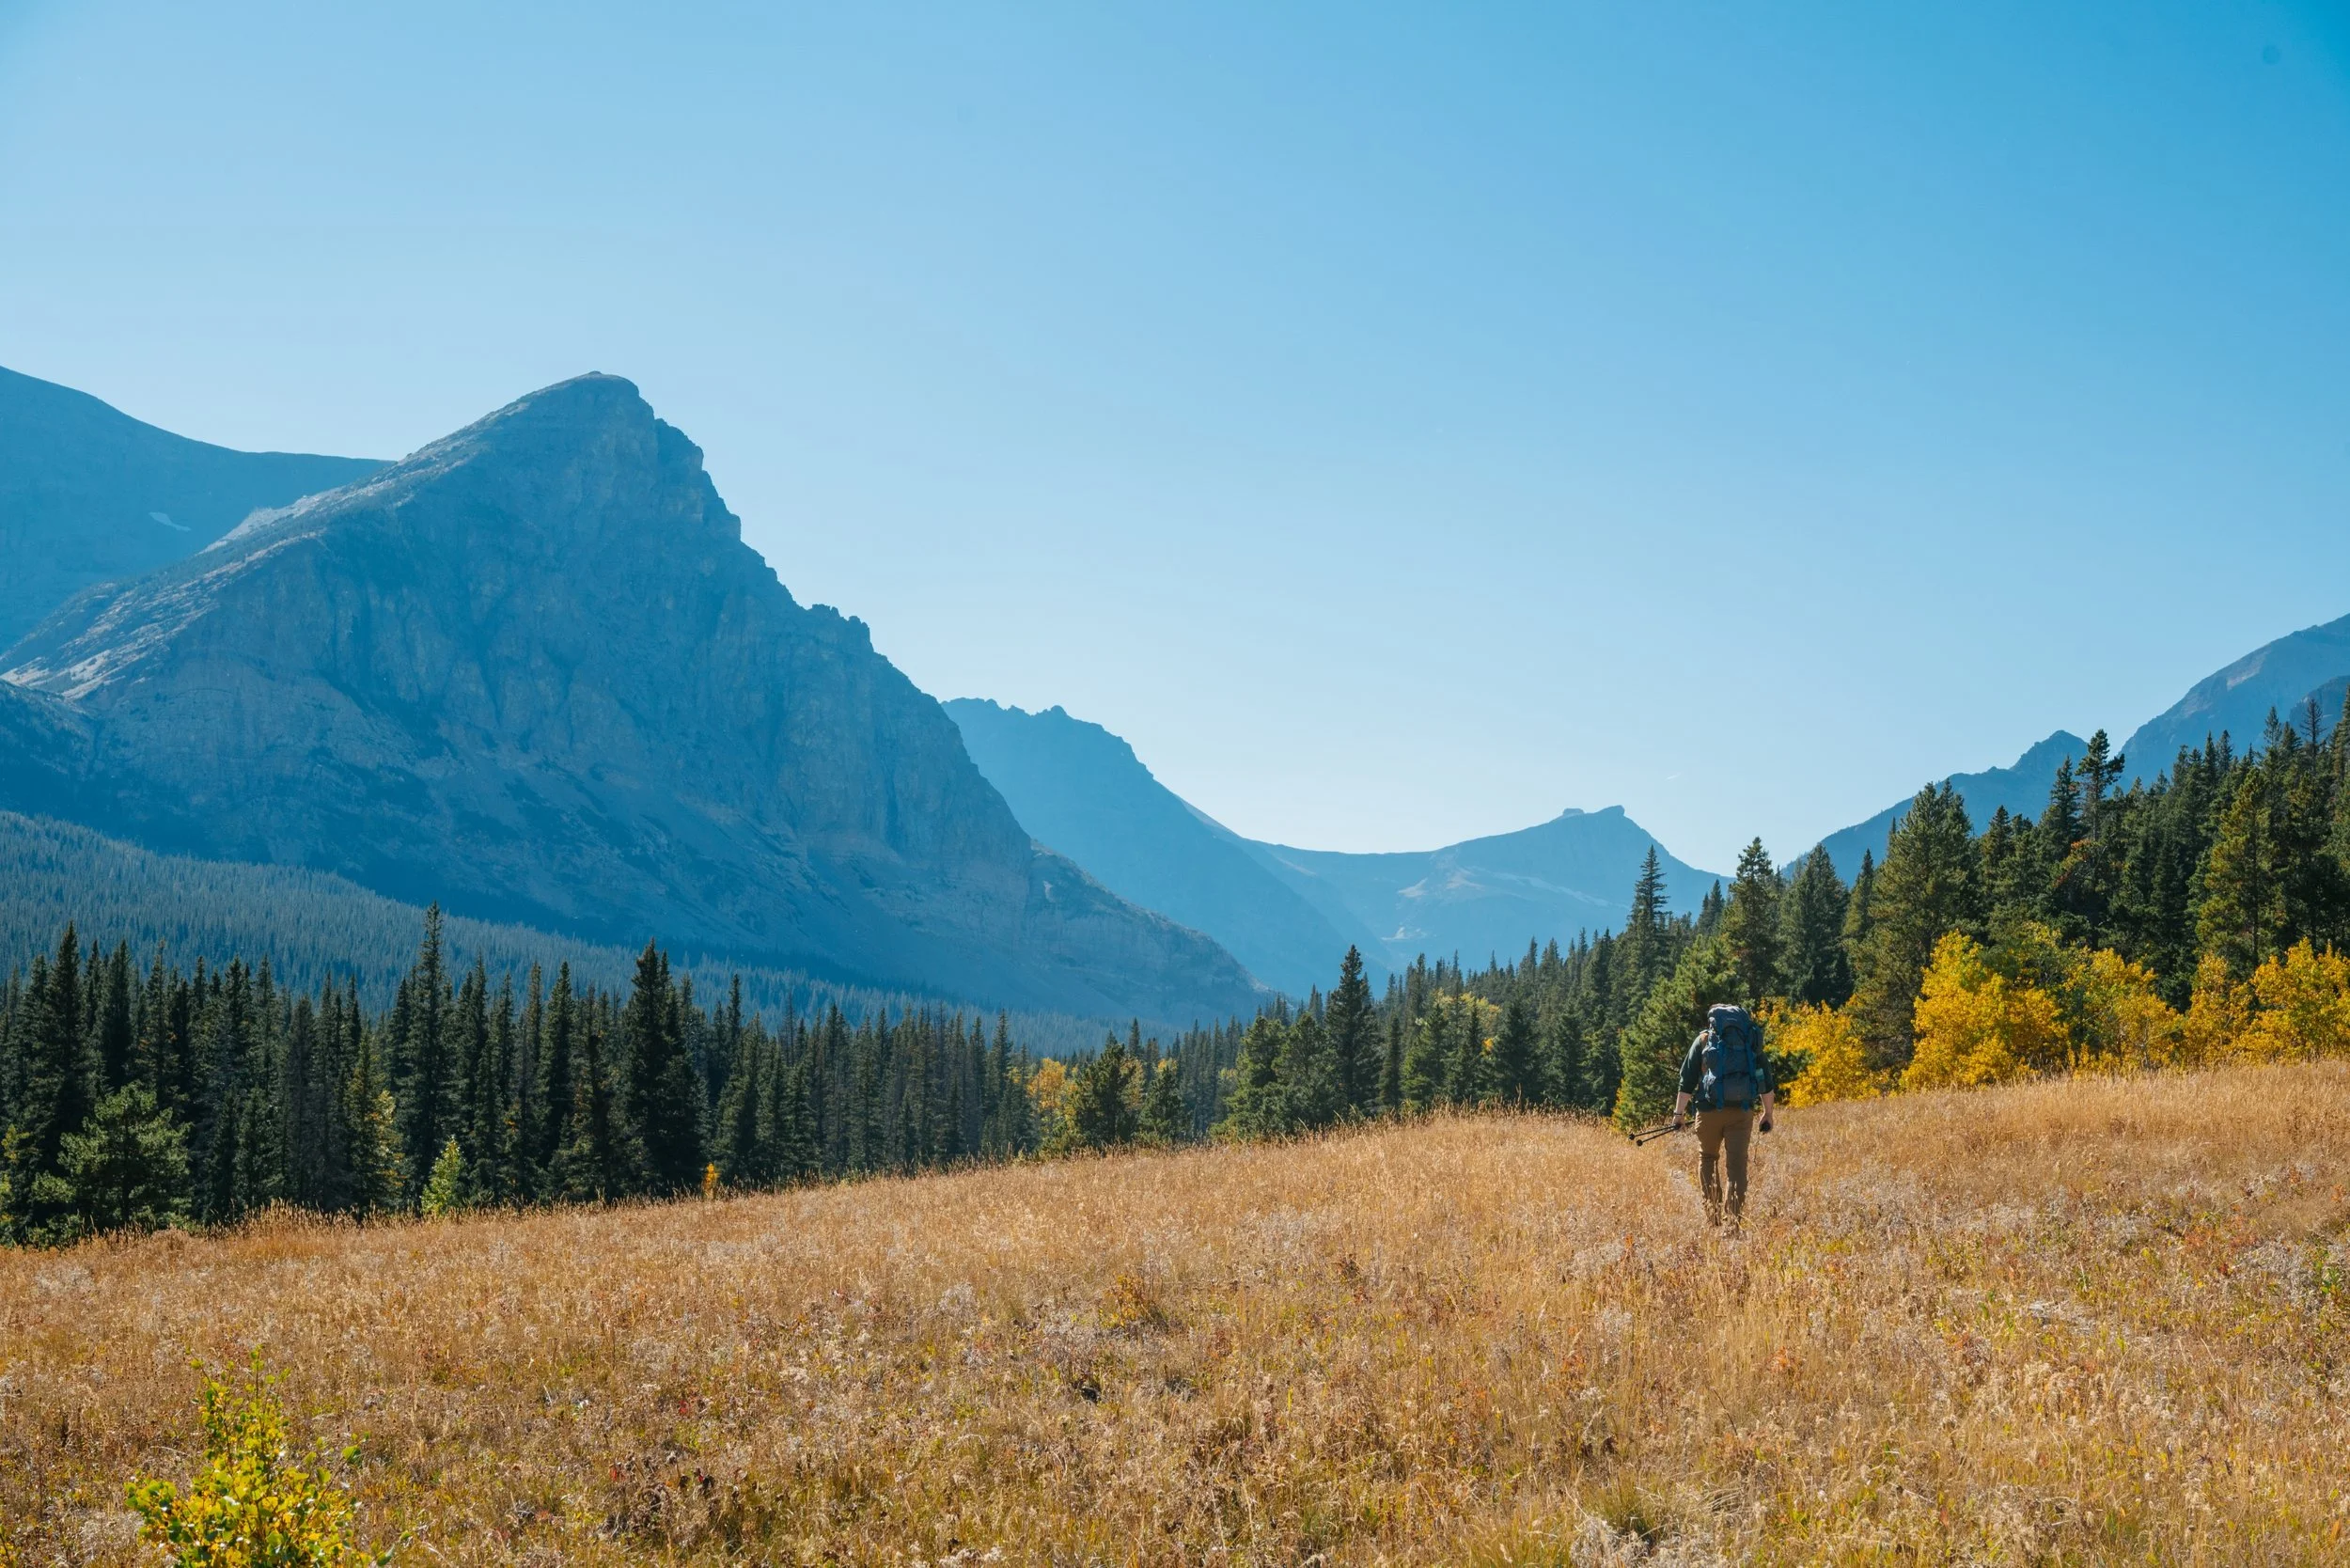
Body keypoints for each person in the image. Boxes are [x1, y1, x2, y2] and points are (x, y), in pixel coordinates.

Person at [1671, 1002, 1775, 1226]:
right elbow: (1764, 1078)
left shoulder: (1704, 1040)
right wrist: (1768, 1113)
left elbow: (1686, 1080)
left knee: (1708, 1158)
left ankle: (1713, 1217)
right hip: (1742, 1112)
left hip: (1708, 1112)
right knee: (1737, 1166)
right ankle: (1733, 1223)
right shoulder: (1749, 1039)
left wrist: (1678, 1114)